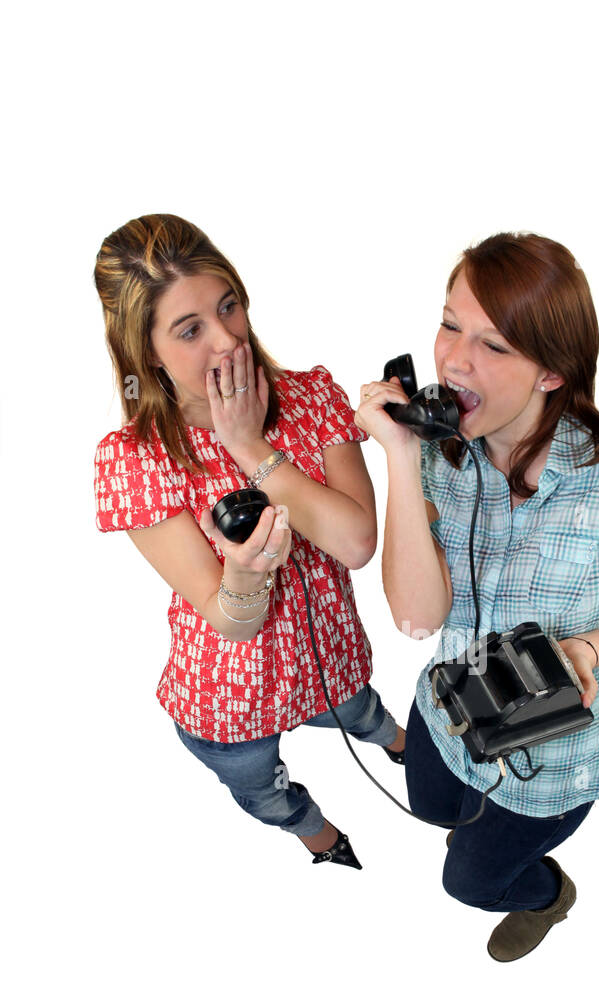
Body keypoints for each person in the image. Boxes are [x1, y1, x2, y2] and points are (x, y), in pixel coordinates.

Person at [356, 231, 599, 958]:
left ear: (551, 372)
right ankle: (470, 824)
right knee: (432, 807)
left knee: (471, 883)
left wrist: (588, 647)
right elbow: (418, 619)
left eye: (493, 344)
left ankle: (548, 895)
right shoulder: (438, 456)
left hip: (546, 768)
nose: (453, 359)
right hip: (446, 713)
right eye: (451, 324)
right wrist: (400, 458)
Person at [93, 213, 405, 869]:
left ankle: (396, 742)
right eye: (190, 329)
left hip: (331, 657)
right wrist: (243, 573)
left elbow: (354, 544)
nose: (229, 337)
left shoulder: (311, 394)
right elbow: (228, 622)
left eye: (228, 304)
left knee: (363, 710)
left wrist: (247, 445)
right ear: (146, 351)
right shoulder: (135, 460)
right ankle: (315, 833)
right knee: (261, 787)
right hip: (227, 697)